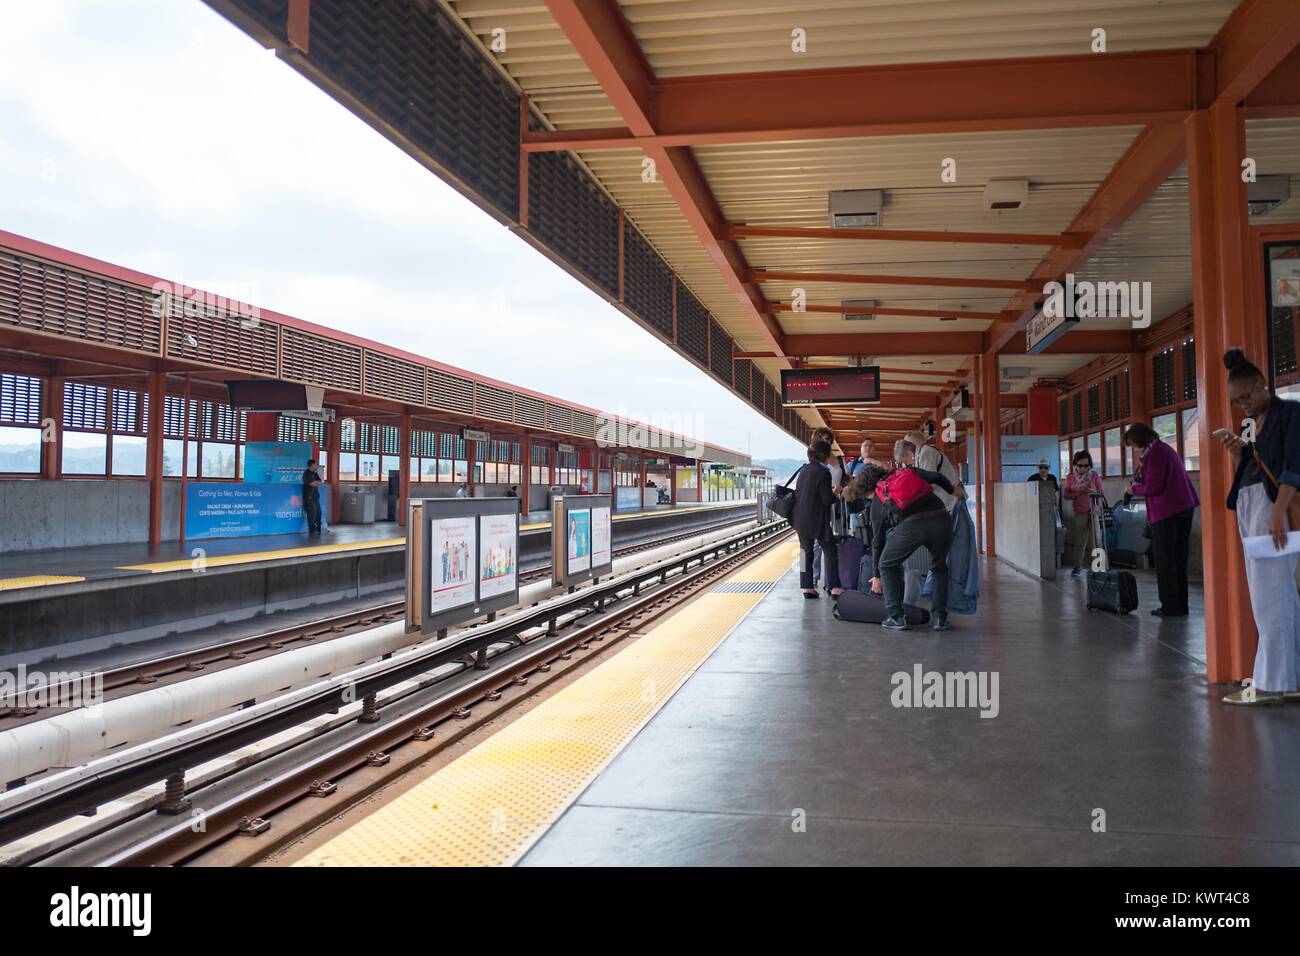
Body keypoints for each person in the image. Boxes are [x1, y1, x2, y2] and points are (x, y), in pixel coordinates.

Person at [1213, 348, 1300, 705]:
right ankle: (1288, 678)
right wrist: (1237, 451)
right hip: (1251, 506)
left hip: (1271, 509)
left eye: (1247, 396)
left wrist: (1279, 510)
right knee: (1277, 594)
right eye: (1237, 401)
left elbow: (1294, 463)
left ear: (1263, 384)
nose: (1244, 405)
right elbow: (1249, 466)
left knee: (1271, 596)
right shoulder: (1253, 423)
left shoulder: (1290, 413)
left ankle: (1269, 683)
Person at [863, 446, 965, 631]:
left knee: (886, 564)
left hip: (914, 526)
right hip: (942, 518)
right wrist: (952, 490)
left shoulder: (878, 498)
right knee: (939, 567)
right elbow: (937, 477)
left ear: (867, 489)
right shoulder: (907, 471)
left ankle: (896, 617)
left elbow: (878, 542)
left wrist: (876, 574)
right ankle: (940, 619)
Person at [1123, 423, 1199, 617]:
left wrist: (1133, 490)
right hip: (1183, 508)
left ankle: (1170, 606)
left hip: (1168, 512)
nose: (1134, 448)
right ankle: (1180, 605)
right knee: (1178, 560)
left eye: (1133, 444)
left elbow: (1154, 486)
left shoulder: (1155, 454)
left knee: (1165, 561)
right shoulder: (1163, 449)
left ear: (1140, 440)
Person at [792, 440, 842, 599]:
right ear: (826, 455)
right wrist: (836, 492)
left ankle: (807, 587)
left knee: (805, 551)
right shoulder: (823, 472)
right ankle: (834, 587)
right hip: (817, 519)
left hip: (799, 518)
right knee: (830, 549)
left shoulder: (804, 470)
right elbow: (827, 499)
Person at [1062, 451, 1104, 577]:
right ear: (1075, 464)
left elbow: (1101, 493)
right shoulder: (1070, 477)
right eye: (1080, 465)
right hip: (1080, 511)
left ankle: (1099, 566)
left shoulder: (1094, 476)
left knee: (1097, 539)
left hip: (1095, 510)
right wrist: (1078, 493)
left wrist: (1089, 490)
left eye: (1086, 466)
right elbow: (1066, 495)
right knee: (1080, 539)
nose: (1083, 468)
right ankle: (1078, 565)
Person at [302, 458, 324, 534]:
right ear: (311, 465)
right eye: (315, 464)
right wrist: (314, 482)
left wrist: (315, 482)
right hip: (309, 497)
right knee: (312, 513)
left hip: (316, 497)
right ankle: (312, 529)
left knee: (318, 512)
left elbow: (320, 481)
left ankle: (319, 528)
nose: (317, 465)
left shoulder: (315, 473)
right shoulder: (306, 473)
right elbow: (310, 483)